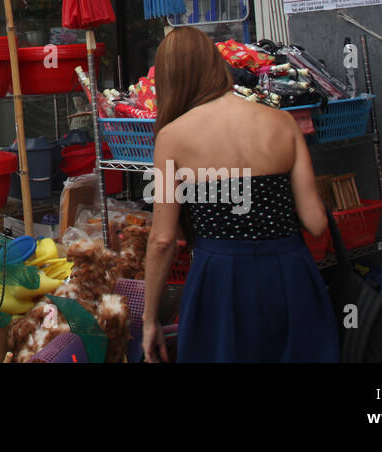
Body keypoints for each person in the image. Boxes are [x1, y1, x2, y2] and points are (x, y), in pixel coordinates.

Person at [142, 27, 338, 363]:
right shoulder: (283, 123)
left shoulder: (173, 138)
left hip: (219, 280)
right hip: (290, 273)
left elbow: (163, 240)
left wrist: (149, 320)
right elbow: (317, 222)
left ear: (170, 80)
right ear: (216, 66)